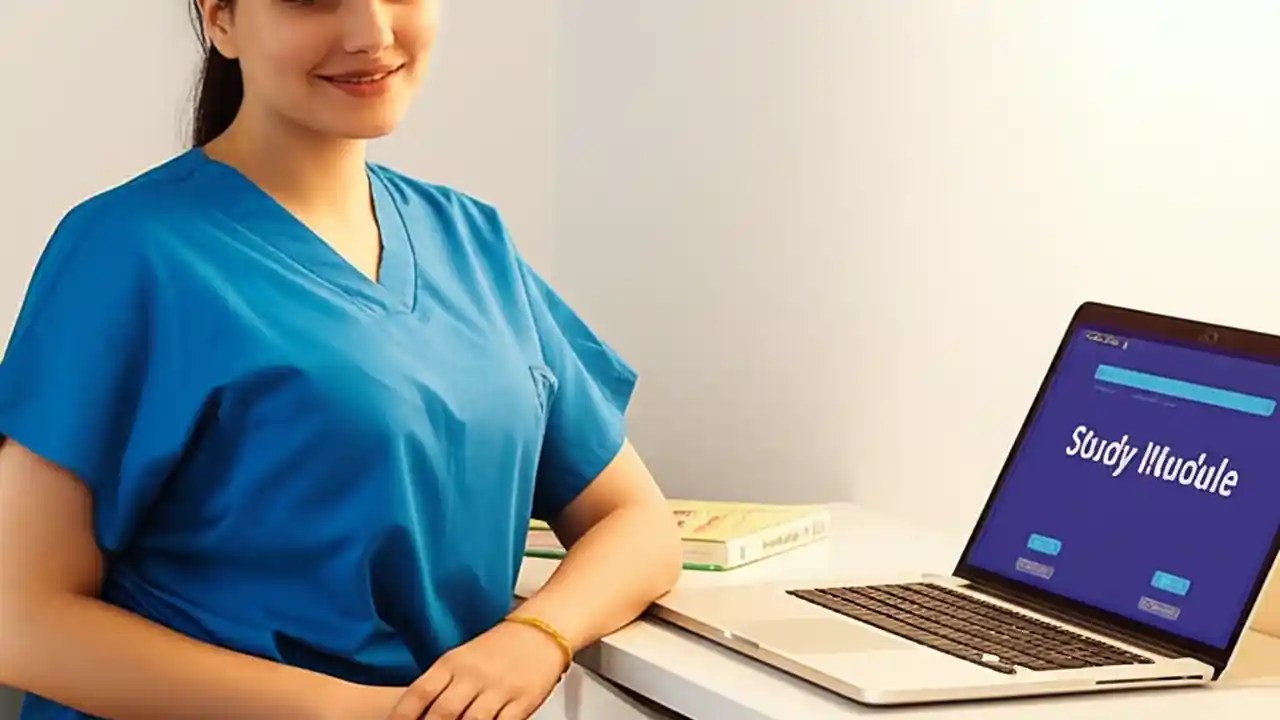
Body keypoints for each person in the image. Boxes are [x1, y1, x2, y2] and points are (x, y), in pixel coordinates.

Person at [0, 1, 683, 719]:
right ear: (222, 19)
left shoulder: (471, 242)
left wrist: (535, 635)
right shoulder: (127, 252)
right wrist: (354, 713)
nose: (372, 34)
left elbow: (636, 522)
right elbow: (20, 617)